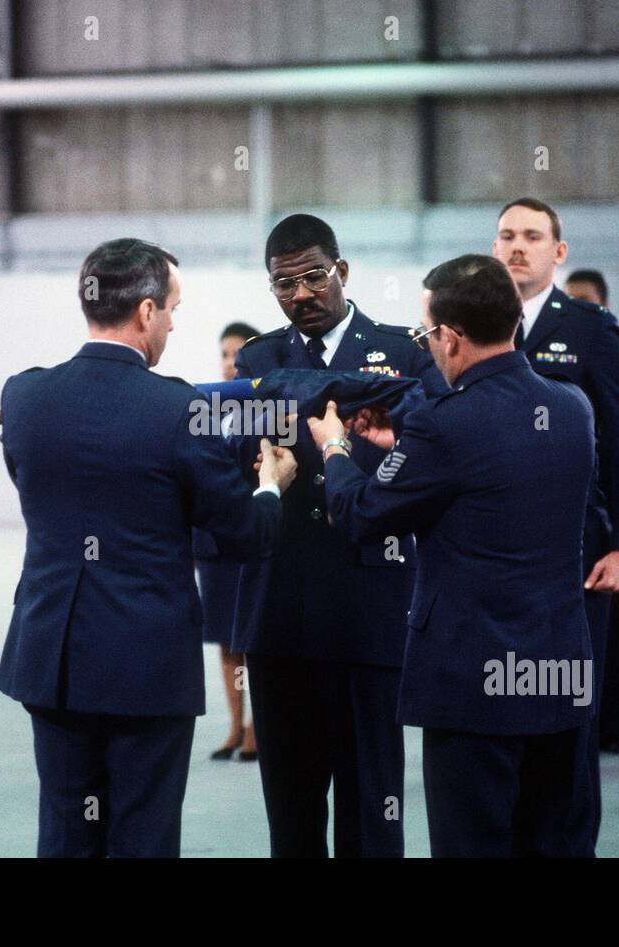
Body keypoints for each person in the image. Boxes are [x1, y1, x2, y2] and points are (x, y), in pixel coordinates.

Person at [0, 239, 294, 858]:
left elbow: (34, 485)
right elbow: (239, 535)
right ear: (146, 312)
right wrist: (271, 487)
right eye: (174, 311)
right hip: (145, 661)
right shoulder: (180, 409)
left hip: (52, 654)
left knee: (65, 833)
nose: (175, 325)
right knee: (144, 835)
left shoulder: (22, 397)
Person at [310, 254, 597, 857]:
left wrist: (336, 449)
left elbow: (362, 516)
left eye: (425, 333)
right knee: (557, 845)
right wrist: (403, 450)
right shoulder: (573, 408)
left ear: (450, 337)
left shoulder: (443, 425)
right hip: (558, 666)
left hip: (474, 680)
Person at [231, 213, 448, 858]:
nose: (300, 294)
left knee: (371, 803)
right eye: (283, 283)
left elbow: (425, 439)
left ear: (342, 272)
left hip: (370, 608)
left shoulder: (405, 350)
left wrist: (308, 407)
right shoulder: (257, 357)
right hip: (281, 610)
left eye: (313, 276)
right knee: (291, 809)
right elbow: (244, 451)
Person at [493, 199, 619, 843]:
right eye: (506, 236)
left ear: (559, 252)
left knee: (570, 714)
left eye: (532, 236)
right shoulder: (469, 325)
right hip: (493, 562)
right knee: (500, 713)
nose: (517, 247)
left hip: (578, 558)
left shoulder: (590, 328)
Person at [565, 269, 619, 754]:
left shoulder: (618, 346)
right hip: (561, 517)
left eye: (586, 300)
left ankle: (614, 723)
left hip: (607, 512)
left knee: (617, 624)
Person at [194, 321, 262, 762]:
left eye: (238, 354)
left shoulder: (269, 412)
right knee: (224, 638)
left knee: (252, 639)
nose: (229, 362)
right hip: (211, 544)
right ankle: (234, 725)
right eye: (223, 353)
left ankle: (259, 727)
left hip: (252, 539)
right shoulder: (202, 411)